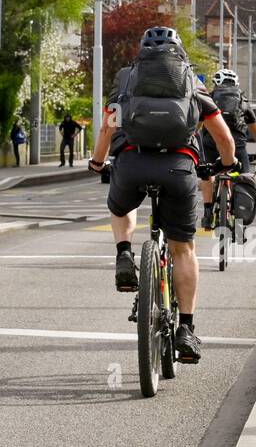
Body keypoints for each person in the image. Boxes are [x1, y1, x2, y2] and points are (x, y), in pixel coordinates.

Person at [88, 27, 237, 363]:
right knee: (183, 248)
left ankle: (124, 253)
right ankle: (186, 328)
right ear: (179, 53)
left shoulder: (127, 80)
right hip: (179, 169)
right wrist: (227, 164)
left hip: (132, 163)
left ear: (142, 52)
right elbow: (224, 138)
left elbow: (107, 127)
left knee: (121, 204)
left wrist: (99, 162)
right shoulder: (193, 85)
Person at [200, 68, 256, 230]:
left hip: (211, 145)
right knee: (244, 178)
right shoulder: (243, 101)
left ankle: (208, 212)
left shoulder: (208, 99)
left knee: (207, 175)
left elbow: (196, 127)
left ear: (216, 83)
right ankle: (240, 221)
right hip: (237, 147)